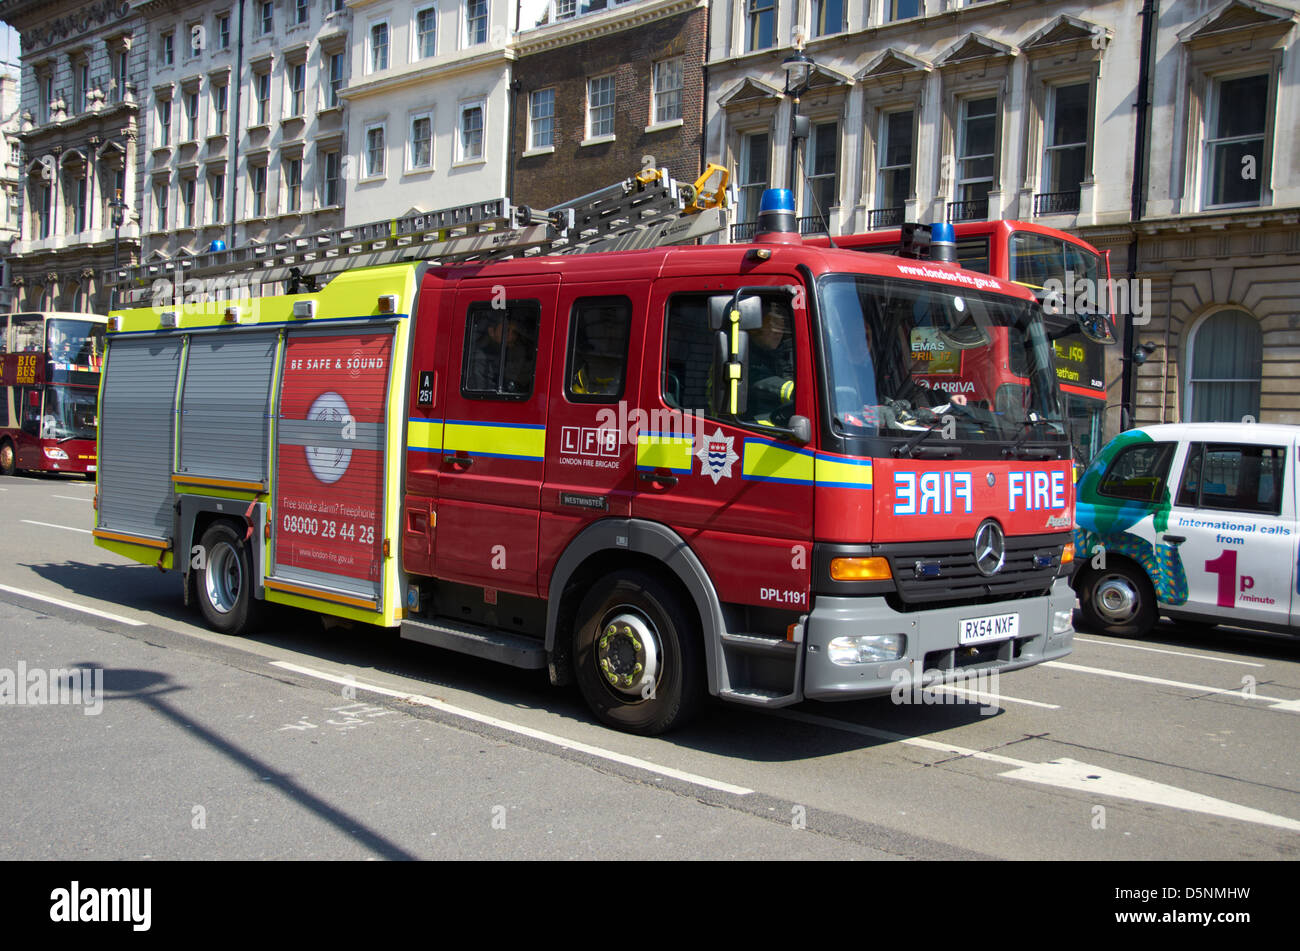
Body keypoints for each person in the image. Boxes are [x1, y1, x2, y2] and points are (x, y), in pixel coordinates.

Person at [746, 301, 795, 422]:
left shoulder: (777, 355)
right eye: (774, 326)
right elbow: (758, 380)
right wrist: (797, 392)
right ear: (754, 329)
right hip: (748, 424)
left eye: (782, 328)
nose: (779, 332)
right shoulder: (741, 355)